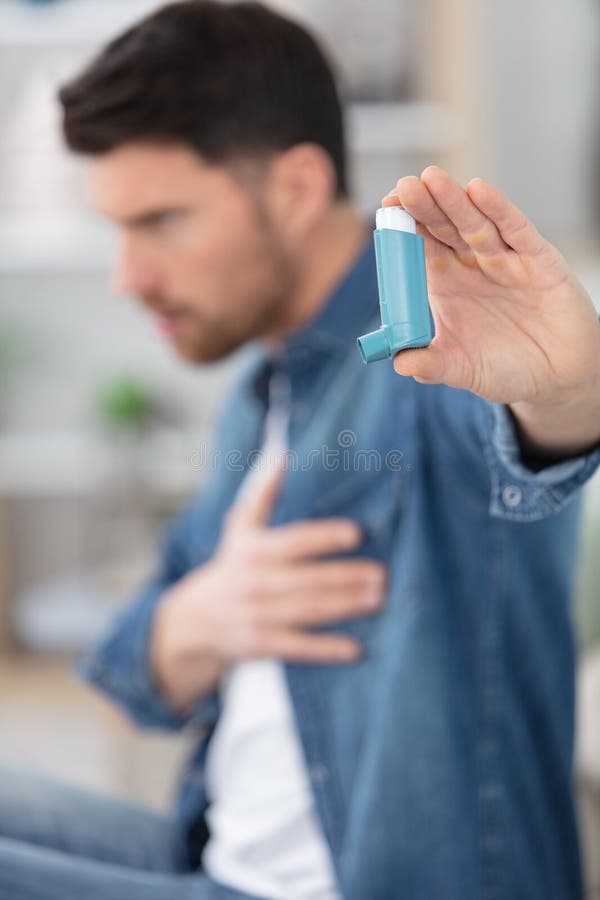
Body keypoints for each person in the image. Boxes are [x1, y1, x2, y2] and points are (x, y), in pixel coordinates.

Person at [1, 2, 600, 898]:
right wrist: (196, 620)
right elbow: (130, 666)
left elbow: (534, 434)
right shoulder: (259, 397)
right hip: (206, 856)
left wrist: (569, 388)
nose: (130, 276)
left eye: (160, 220)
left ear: (294, 188)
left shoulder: (430, 349)